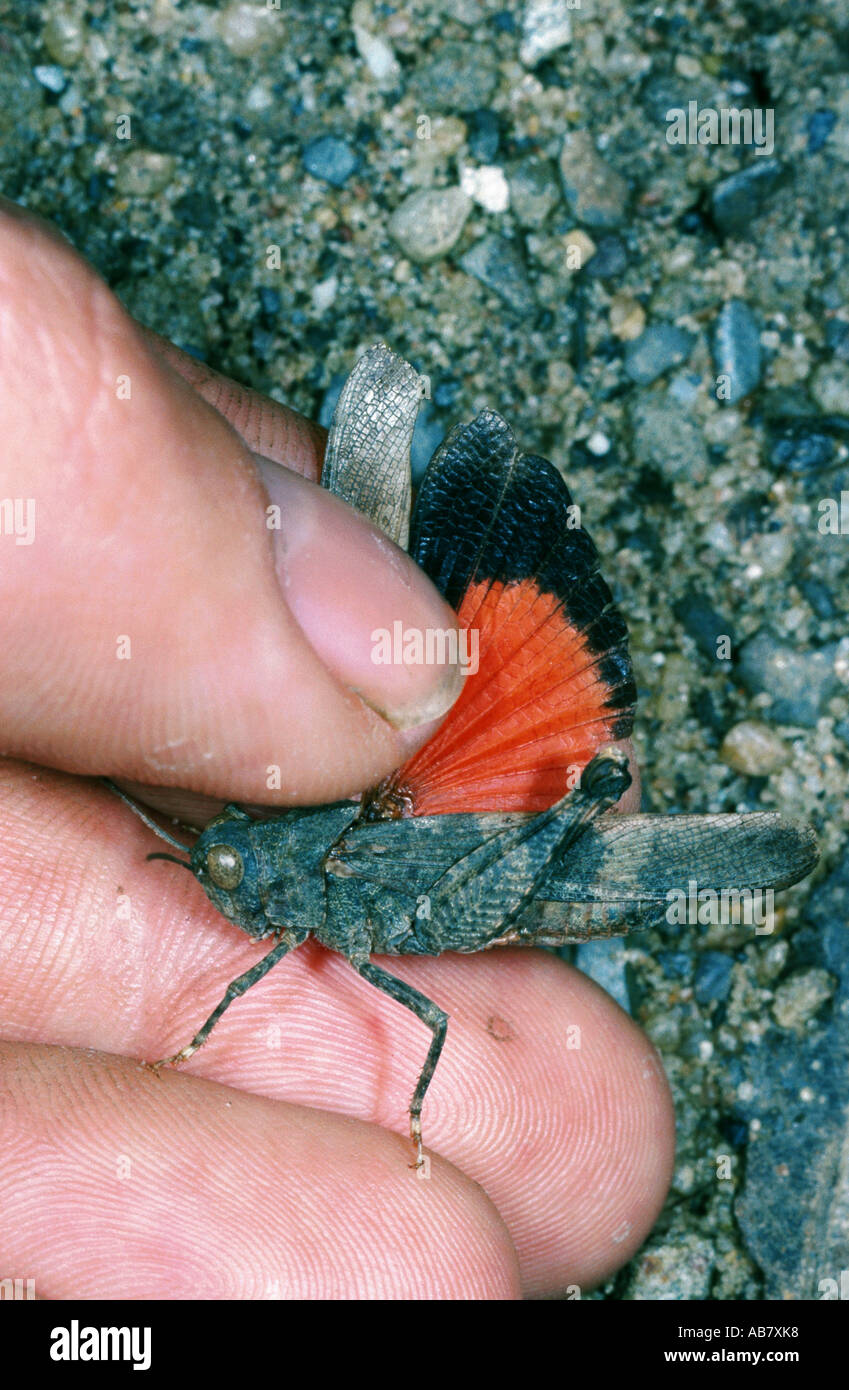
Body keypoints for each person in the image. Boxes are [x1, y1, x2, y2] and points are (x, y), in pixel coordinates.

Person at [0, 199, 674, 1299]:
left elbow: (420, 1014)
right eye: (216, 866)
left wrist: (413, 1121)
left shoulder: (310, 858)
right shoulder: (282, 872)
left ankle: (585, 808)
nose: (220, 879)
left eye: (220, 867)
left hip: (477, 874)